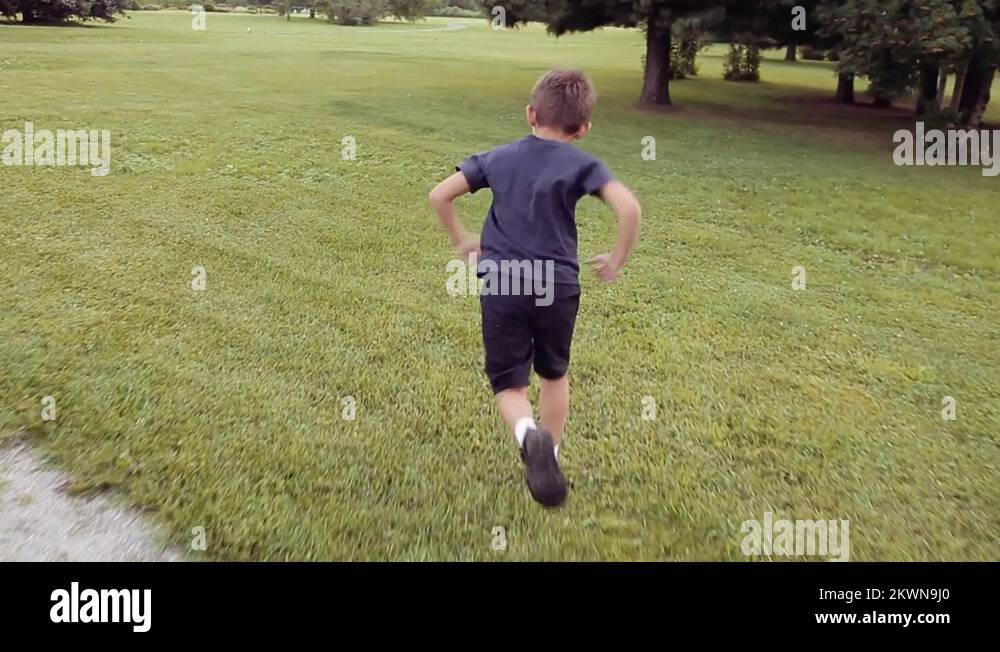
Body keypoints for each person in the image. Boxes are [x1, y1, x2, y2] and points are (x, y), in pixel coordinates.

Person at [428, 68, 641, 507]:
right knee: (554, 372)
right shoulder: (584, 164)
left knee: (509, 382)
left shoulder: (498, 157)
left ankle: (528, 435)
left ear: (530, 114)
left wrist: (463, 240)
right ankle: (552, 453)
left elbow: (439, 195)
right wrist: (616, 259)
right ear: (583, 128)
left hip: (504, 282)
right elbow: (629, 208)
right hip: (558, 285)